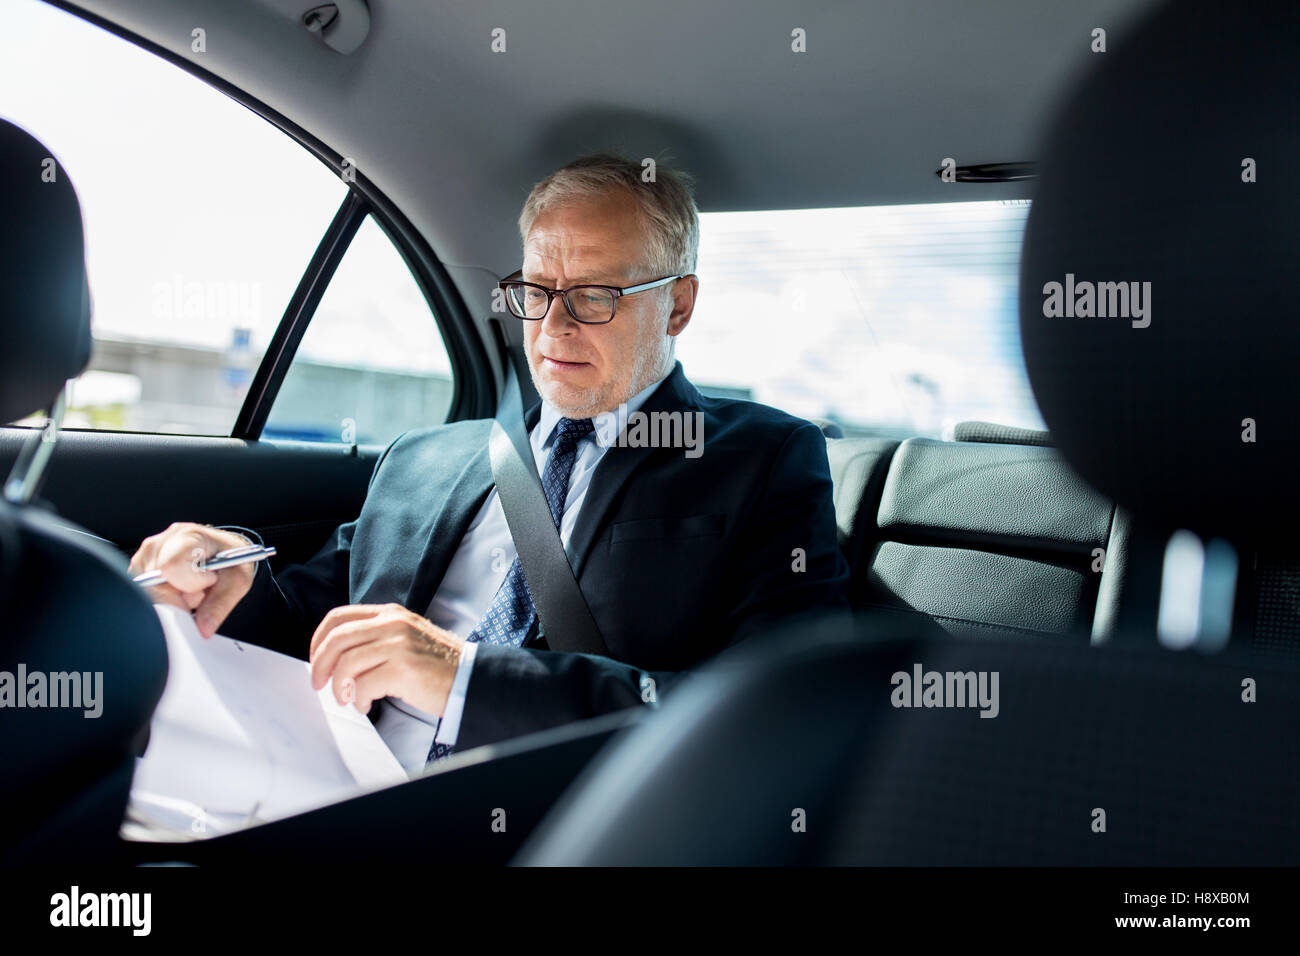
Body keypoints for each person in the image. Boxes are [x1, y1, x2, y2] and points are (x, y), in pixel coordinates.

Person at [128, 153, 849, 774]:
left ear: (679, 305)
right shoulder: (424, 459)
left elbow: (773, 710)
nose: (553, 327)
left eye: (595, 296)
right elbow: (309, 618)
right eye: (536, 292)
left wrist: (463, 678)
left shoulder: (762, 459)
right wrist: (229, 575)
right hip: (324, 787)